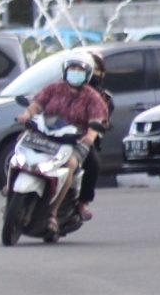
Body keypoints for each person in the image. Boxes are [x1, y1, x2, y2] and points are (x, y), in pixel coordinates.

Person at [15, 51, 108, 229]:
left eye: (80, 70)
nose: (75, 72)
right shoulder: (54, 88)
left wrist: (89, 137)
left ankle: (54, 212)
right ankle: (9, 186)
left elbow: (97, 121)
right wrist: (27, 115)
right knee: (19, 144)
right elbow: (37, 104)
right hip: (46, 134)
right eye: (72, 68)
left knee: (71, 165)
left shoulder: (93, 97)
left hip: (72, 141)